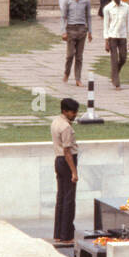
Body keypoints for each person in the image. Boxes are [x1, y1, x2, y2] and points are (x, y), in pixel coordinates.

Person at [51, 99, 80, 245]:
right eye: (73, 112)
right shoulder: (66, 127)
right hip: (67, 162)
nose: (75, 115)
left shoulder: (56, 122)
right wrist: (74, 172)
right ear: (65, 111)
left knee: (61, 198)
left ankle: (58, 234)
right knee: (69, 200)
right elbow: (67, 151)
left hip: (59, 161)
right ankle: (67, 235)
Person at [61, 0, 92, 86]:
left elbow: (88, 16)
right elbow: (64, 17)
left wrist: (90, 31)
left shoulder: (86, 1)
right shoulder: (67, 1)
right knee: (70, 55)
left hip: (82, 29)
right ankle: (66, 73)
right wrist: (63, 31)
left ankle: (78, 79)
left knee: (79, 56)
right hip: (70, 29)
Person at [103, 0, 129, 88]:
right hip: (112, 37)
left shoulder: (126, 7)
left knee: (123, 58)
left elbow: (128, 22)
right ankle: (116, 83)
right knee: (114, 59)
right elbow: (106, 25)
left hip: (122, 36)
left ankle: (114, 73)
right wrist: (106, 41)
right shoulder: (107, 8)